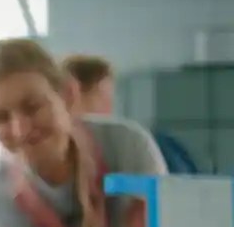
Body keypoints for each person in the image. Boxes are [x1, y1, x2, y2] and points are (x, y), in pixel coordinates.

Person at [0, 39, 167, 227]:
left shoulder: (128, 145)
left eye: (33, 107)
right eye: (1, 118)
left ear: (68, 95)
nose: (20, 129)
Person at [62, 53, 200, 175]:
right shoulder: (61, 145)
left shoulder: (137, 142)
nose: (109, 106)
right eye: (103, 97)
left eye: (110, 98)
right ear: (74, 93)